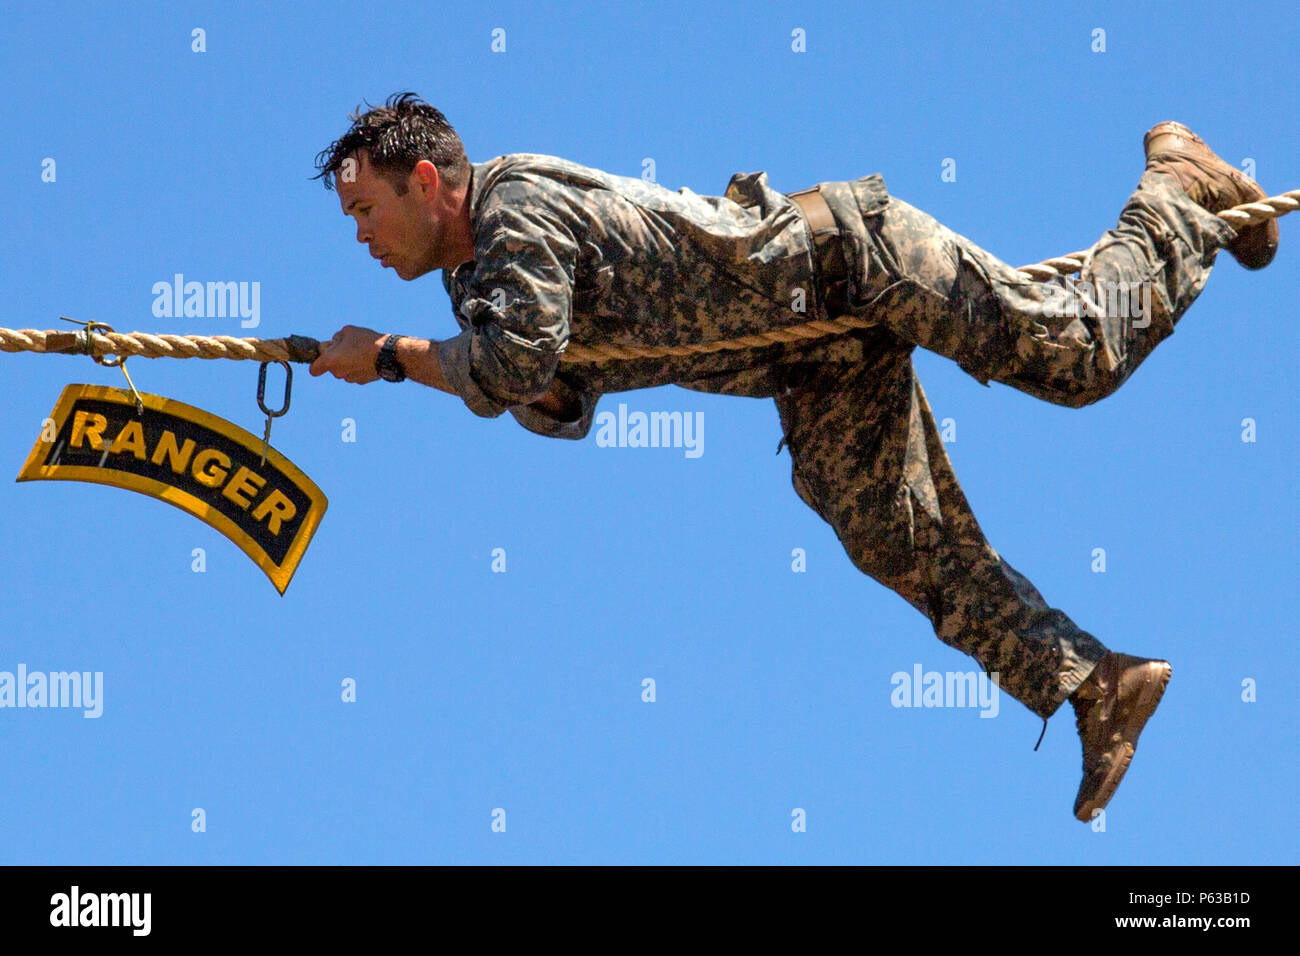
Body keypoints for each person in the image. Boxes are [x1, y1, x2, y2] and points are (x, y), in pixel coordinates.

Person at [308, 92, 1279, 822]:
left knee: (1073, 354)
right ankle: (1092, 684)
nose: (359, 235)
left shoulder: (518, 210)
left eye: (364, 210)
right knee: (889, 534)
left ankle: (1176, 185)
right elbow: (551, 393)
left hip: (852, 261)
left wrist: (393, 357)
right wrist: (505, 379)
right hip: (809, 358)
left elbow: (513, 366)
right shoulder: (475, 282)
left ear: (426, 183)